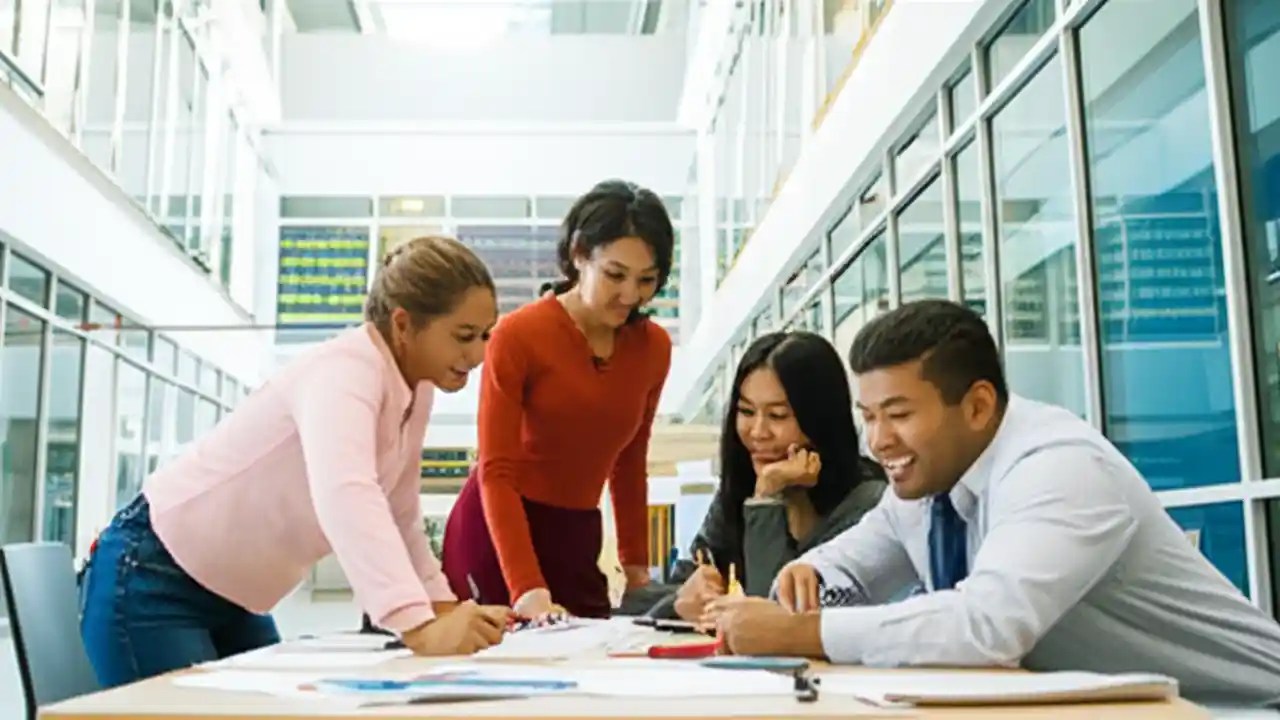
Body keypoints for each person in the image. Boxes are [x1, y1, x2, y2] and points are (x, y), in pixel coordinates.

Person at [711, 299, 1280, 707]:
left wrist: (801, 633)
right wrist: (805, 579)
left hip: (1236, 709)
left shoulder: (1059, 467)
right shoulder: (927, 482)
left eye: (900, 414)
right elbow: (851, 566)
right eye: (869, 417)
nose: (879, 441)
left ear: (978, 406)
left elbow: (986, 624)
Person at [79, 236, 513, 688]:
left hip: (236, 599)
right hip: (154, 576)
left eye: (485, 335)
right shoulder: (346, 369)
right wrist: (418, 625)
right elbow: (347, 493)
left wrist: (442, 607)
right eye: (463, 336)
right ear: (404, 325)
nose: (479, 355)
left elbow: (400, 514)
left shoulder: (414, 388)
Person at [442, 179, 674, 619]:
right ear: (579, 254)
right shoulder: (519, 335)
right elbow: (496, 471)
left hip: (577, 531)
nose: (630, 295)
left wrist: (636, 567)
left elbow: (629, 461)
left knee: (591, 660)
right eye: (615, 275)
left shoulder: (653, 348)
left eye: (647, 280)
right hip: (501, 530)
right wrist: (526, 586)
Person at [646, 331, 886, 622]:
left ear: (821, 420)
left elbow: (772, 614)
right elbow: (671, 592)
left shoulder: (870, 503)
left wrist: (767, 498)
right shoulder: (737, 490)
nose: (758, 432)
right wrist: (681, 603)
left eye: (777, 416)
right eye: (746, 411)